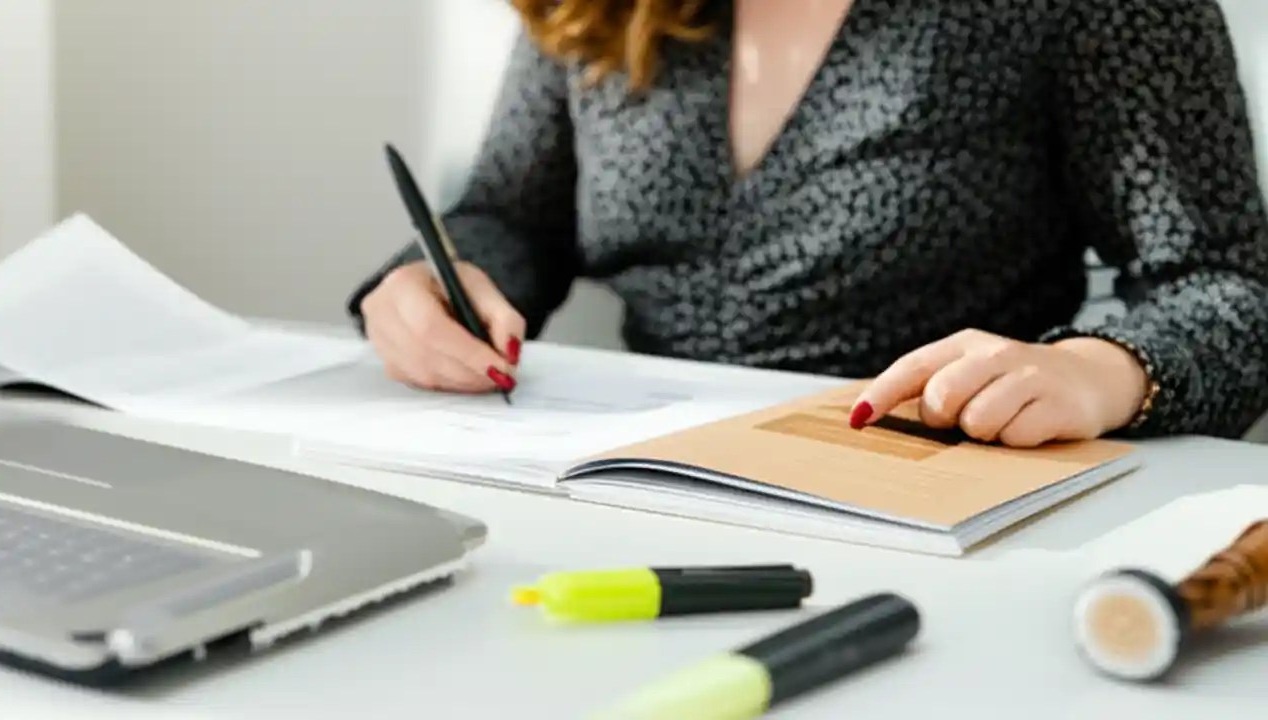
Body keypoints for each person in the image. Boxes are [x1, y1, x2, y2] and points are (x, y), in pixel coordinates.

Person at [348, 0, 1268, 447]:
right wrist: (438, 281)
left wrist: (1100, 373)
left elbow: (1232, 288)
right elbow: (514, 214)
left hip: (935, 494)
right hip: (630, 478)